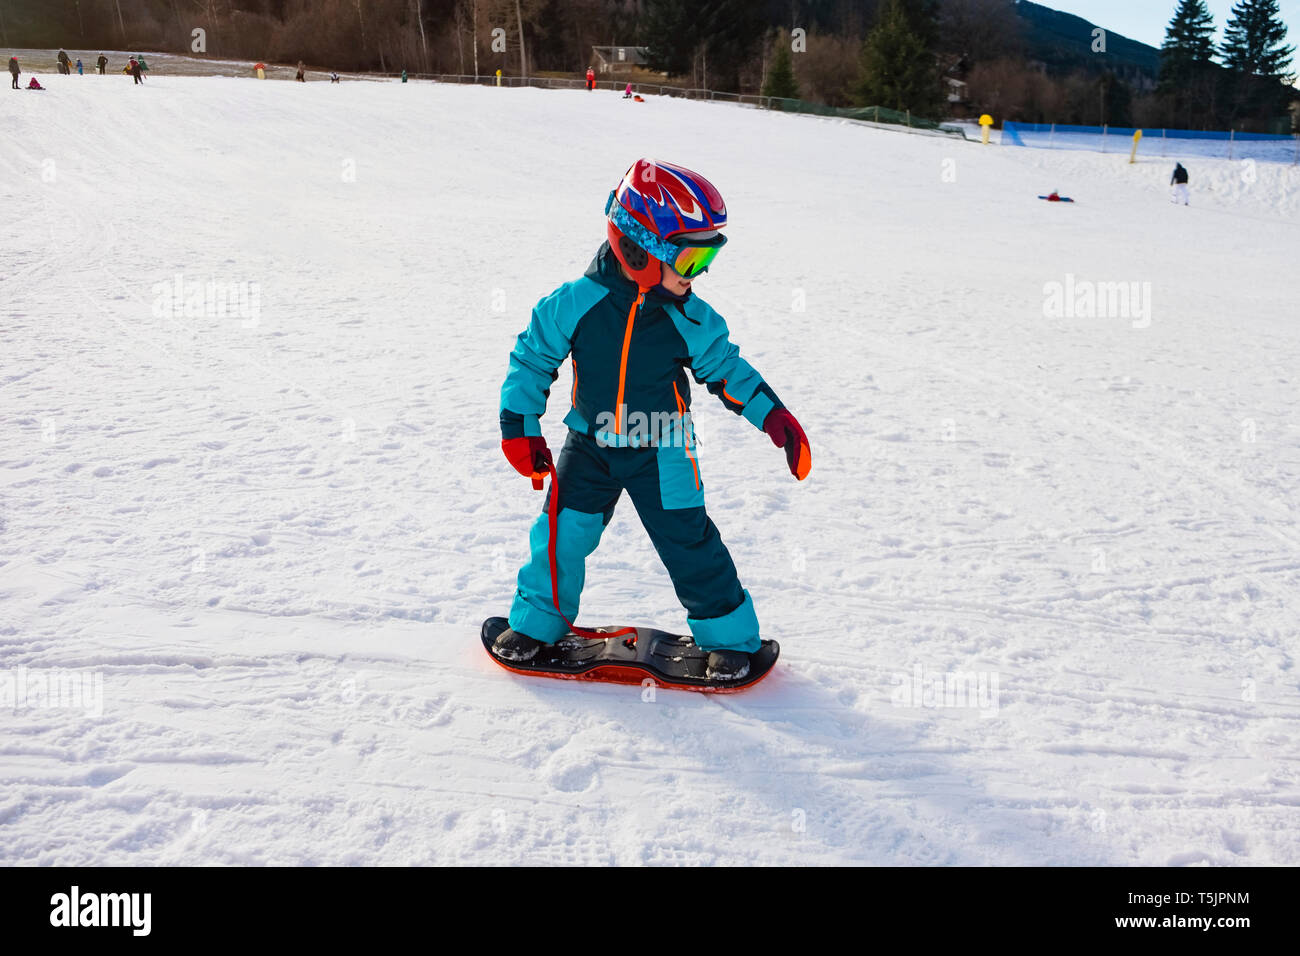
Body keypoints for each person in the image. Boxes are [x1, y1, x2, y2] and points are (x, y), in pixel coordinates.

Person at [493, 159, 811, 681]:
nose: (699, 273)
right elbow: (532, 359)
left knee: (687, 540)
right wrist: (520, 427)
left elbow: (725, 368)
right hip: (589, 444)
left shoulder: (687, 317)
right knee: (559, 534)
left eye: (707, 257)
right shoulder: (575, 304)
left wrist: (774, 417)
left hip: (662, 446)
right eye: (689, 258)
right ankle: (538, 621)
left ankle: (729, 637)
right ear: (639, 250)